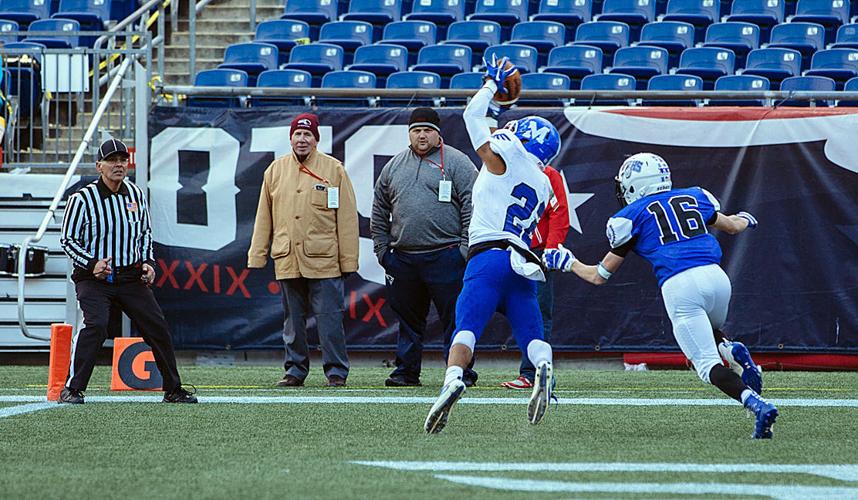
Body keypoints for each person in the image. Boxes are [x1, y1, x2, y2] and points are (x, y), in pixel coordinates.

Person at [545, 152, 777, 439]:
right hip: (718, 278)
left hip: (681, 285)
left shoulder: (630, 217)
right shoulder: (693, 197)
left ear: (635, 185)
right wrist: (746, 219)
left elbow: (599, 275)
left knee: (707, 366)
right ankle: (731, 350)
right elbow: (732, 225)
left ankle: (757, 405)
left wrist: (568, 263)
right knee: (712, 333)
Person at [424, 56, 559, 434]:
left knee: (465, 328)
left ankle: (453, 379)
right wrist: (501, 103)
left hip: (488, 257)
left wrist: (489, 85)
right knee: (533, 336)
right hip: (522, 263)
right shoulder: (543, 180)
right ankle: (543, 370)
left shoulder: (507, 159)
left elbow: (472, 118)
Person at [59, 138, 197, 404]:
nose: (118, 165)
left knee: (157, 326)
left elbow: (144, 233)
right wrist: (92, 263)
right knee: (96, 325)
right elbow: (67, 240)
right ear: (99, 165)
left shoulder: (135, 194)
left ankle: (173, 389)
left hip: (130, 276)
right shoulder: (82, 199)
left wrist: (148, 262)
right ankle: (72, 388)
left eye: (122, 160)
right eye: (112, 160)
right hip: (95, 278)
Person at [248, 113, 358, 388]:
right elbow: (264, 216)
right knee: (293, 322)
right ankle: (295, 371)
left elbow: (346, 218)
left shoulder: (334, 169)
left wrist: (348, 261)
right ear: (291, 138)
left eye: (308, 134)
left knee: (330, 320)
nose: (302, 139)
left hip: (325, 259)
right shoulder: (275, 170)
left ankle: (336, 372)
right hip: (288, 258)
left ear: (316, 139)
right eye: (297, 134)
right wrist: (257, 254)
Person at [371, 107, 479, 388]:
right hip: (403, 258)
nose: (421, 135)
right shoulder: (394, 165)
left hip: (447, 254)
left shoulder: (458, 162)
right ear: (409, 133)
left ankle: (460, 372)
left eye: (427, 130)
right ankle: (406, 372)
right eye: (416, 130)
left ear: (437, 133)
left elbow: (473, 204)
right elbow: (379, 208)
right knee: (408, 320)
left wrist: (464, 249)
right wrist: (383, 249)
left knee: (455, 318)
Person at [502, 164, 570, 390]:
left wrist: (550, 251)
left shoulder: (548, 174)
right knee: (475, 306)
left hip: (535, 252)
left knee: (538, 312)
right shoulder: (499, 169)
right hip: (502, 248)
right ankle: (460, 371)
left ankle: (534, 372)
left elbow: (559, 212)